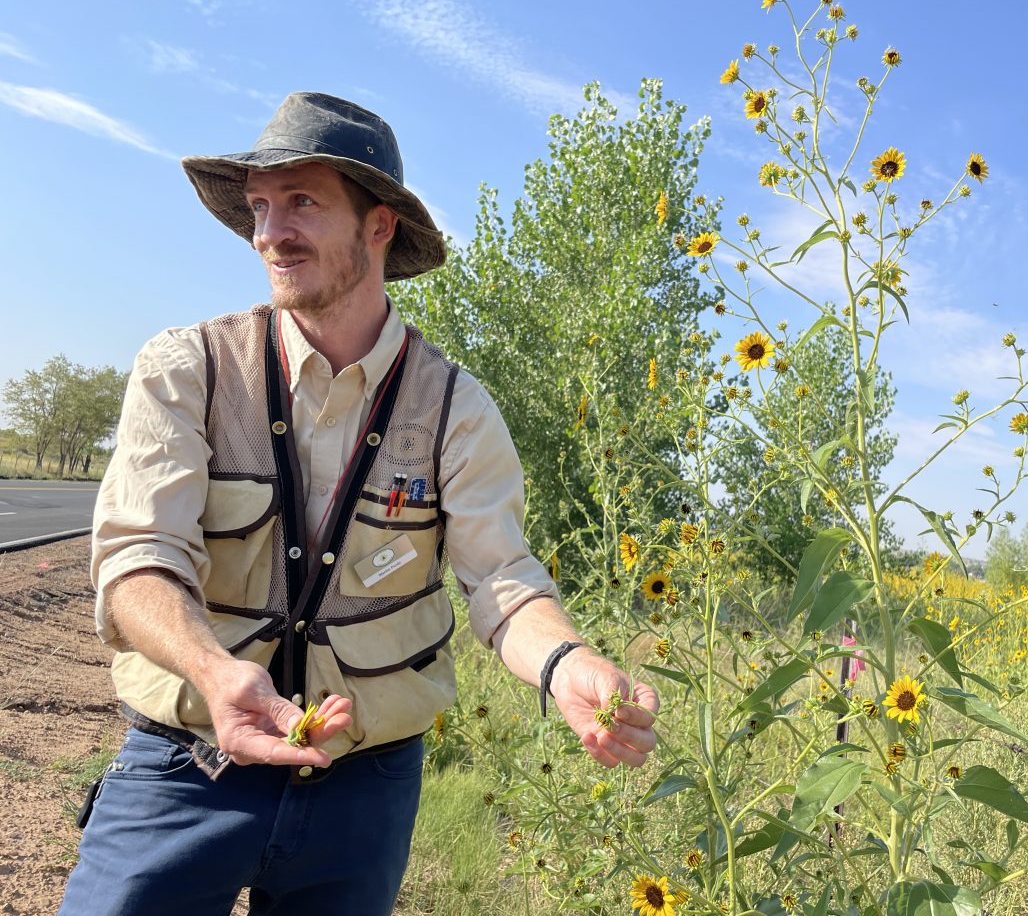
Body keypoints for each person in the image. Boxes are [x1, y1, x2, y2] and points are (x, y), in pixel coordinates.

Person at [58, 92, 659, 915]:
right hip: (186, 760)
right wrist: (211, 669)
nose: (269, 232)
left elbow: (502, 581)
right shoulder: (186, 369)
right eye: (261, 207)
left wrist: (566, 664)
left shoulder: (457, 409)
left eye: (302, 201)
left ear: (379, 226)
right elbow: (135, 562)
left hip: (366, 788)